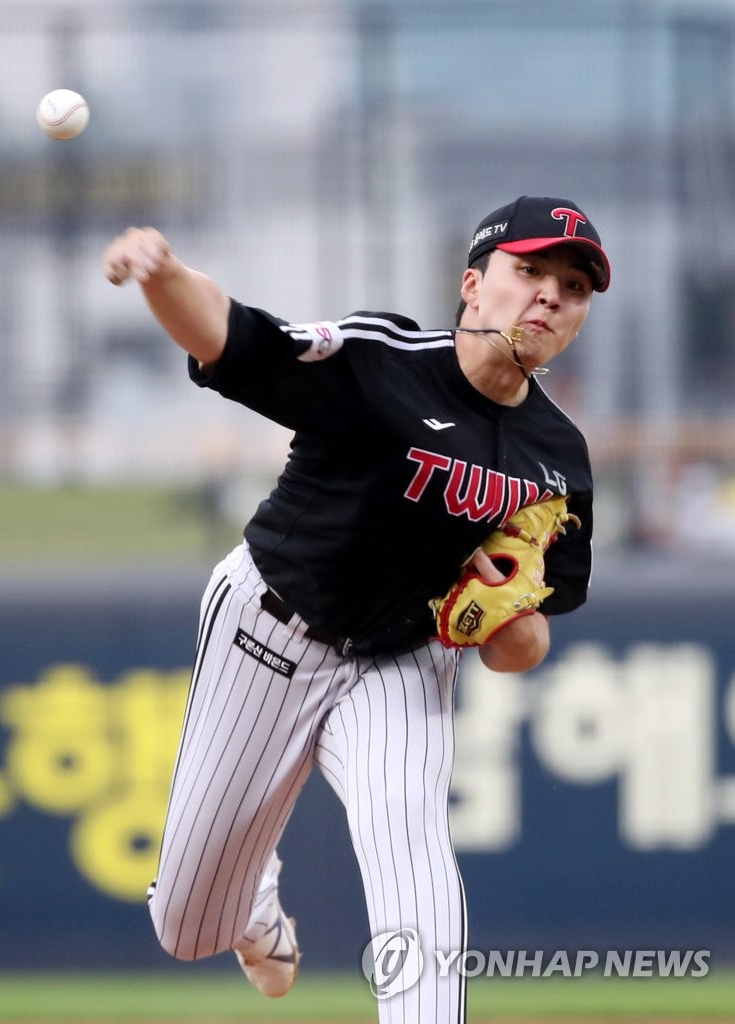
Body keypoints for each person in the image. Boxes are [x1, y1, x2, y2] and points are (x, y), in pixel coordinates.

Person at [103, 194, 610, 1024]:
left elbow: (523, 648)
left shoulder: (557, 460)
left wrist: (502, 617)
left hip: (403, 658)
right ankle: (253, 901)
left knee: (412, 852)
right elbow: (232, 337)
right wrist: (163, 274)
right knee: (189, 929)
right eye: (529, 272)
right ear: (473, 285)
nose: (550, 295)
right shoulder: (385, 359)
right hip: (268, 627)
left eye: (573, 287)